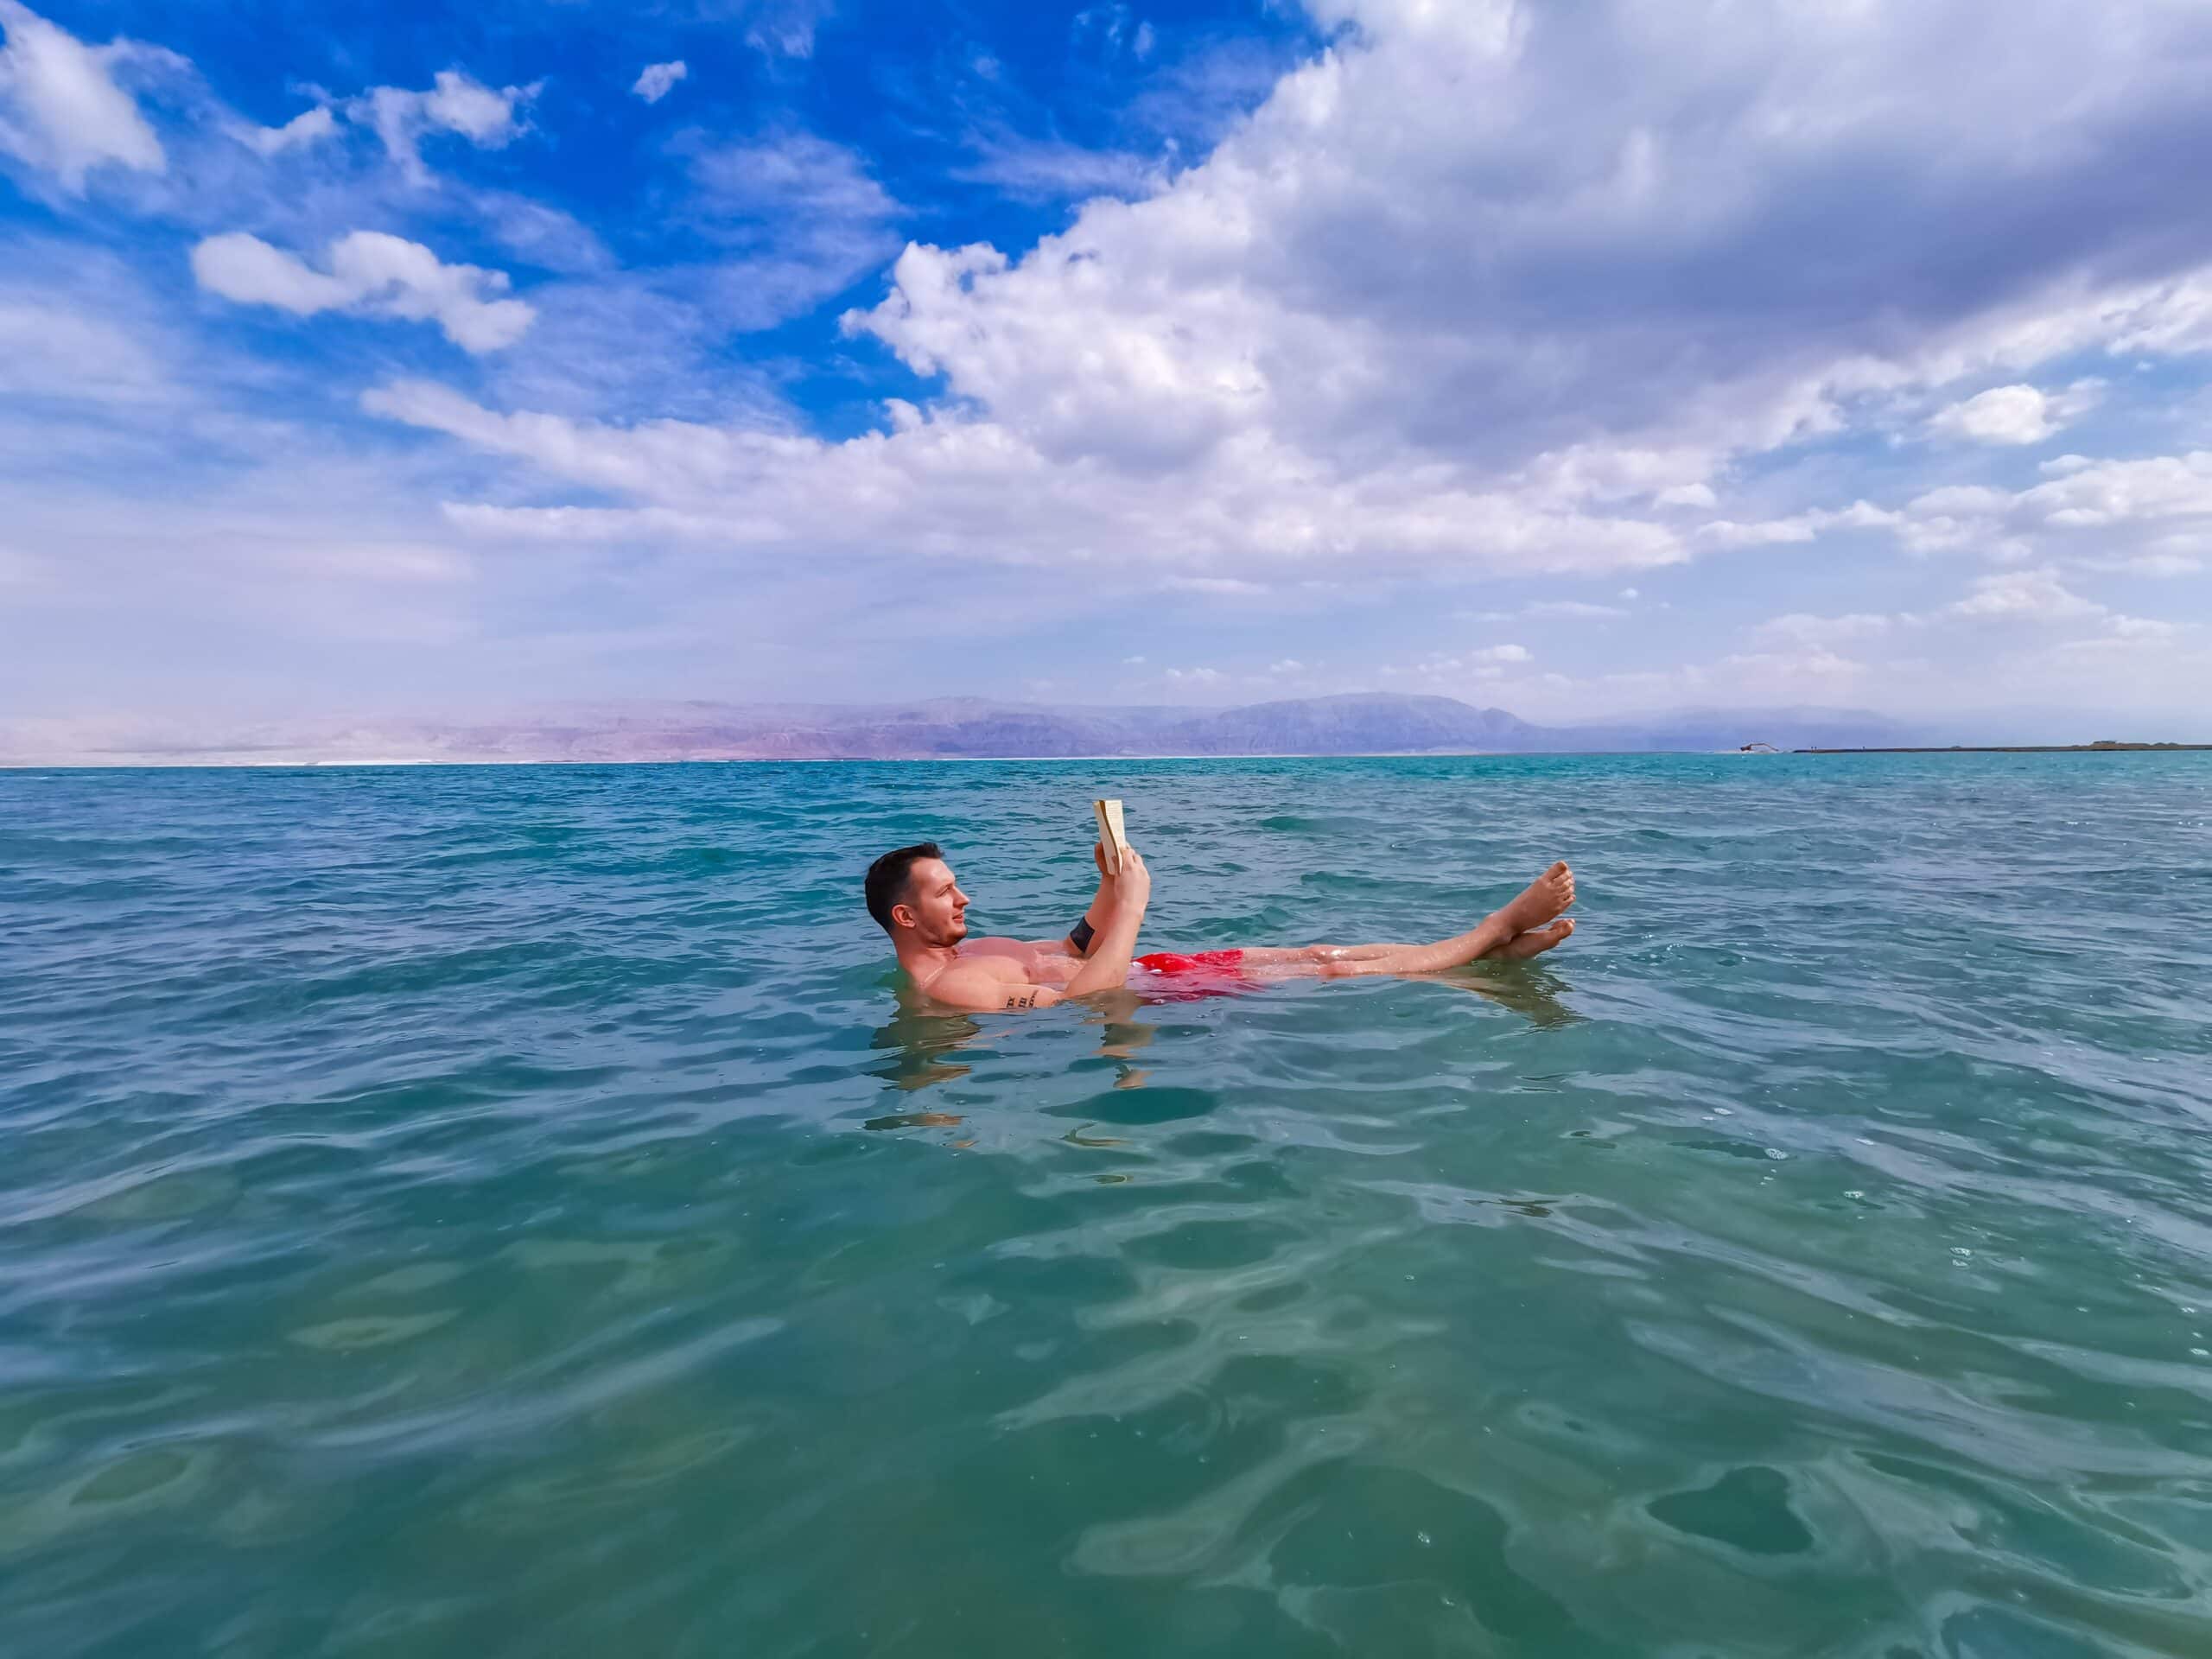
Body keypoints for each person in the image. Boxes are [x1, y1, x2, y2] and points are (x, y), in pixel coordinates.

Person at [863, 838, 1576, 1014]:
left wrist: (1111, 884)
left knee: (1319, 950)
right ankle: (1498, 928)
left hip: (1164, 968)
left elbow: (1078, 949)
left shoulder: (984, 949)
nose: (964, 898)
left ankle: (1498, 953)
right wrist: (1137, 905)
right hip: (1165, 998)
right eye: (946, 893)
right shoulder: (952, 993)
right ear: (905, 916)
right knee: (1331, 973)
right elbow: (1089, 1000)